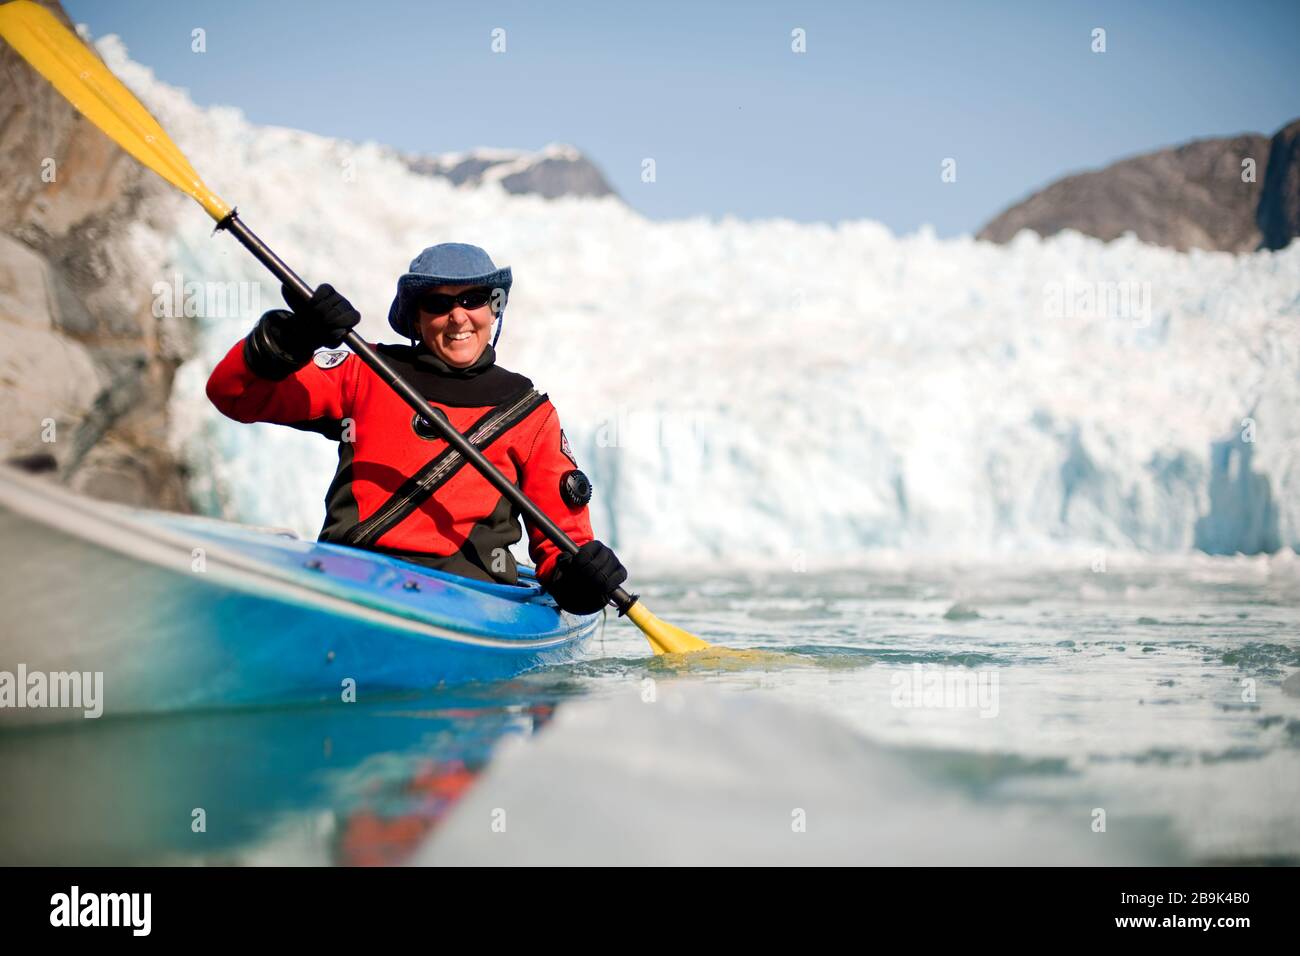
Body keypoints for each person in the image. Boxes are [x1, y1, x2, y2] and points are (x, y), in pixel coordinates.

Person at [205, 242, 626, 614]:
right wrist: (293, 338)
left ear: (494, 307)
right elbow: (234, 395)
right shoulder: (364, 371)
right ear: (415, 320)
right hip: (354, 583)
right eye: (438, 304)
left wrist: (582, 581)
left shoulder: (529, 413)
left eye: (473, 299)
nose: (458, 317)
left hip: (473, 601)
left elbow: (561, 549)